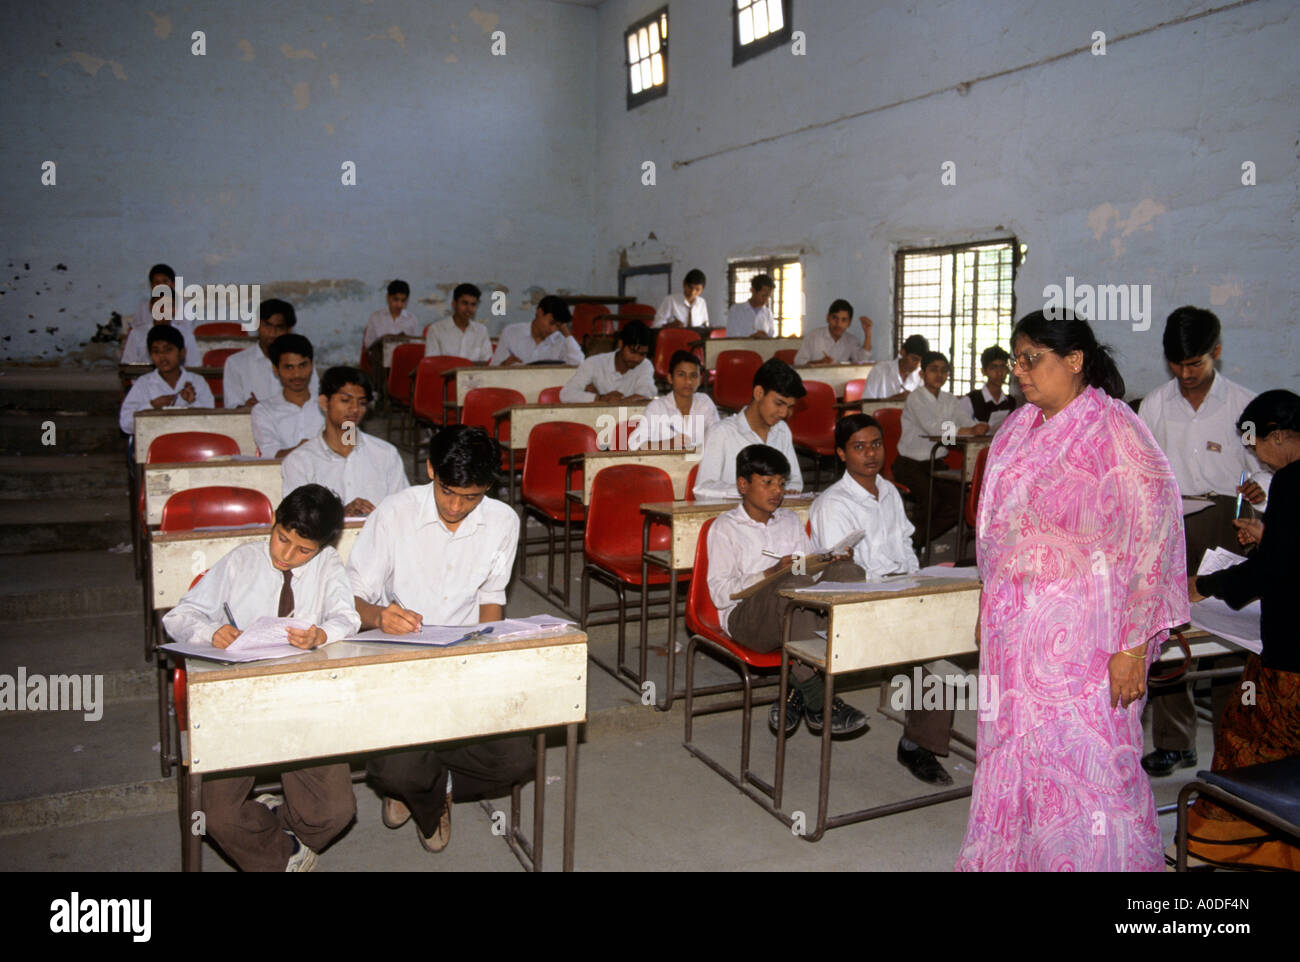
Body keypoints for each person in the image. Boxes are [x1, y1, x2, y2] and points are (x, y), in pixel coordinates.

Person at [955, 311, 1189, 872]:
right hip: (1016, 645)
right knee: (1020, 759)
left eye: (1032, 359)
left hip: (1088, 646)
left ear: (1075, 360)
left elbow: (1155, 535)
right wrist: (993, 612)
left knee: (1092, 768)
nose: (1020, 373)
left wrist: (1134, 648)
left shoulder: (1116, 429)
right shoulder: (1014, 429)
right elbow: (994, 534)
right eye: (1016, 361)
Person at [346, 425, 532, 853]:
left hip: (463, 657)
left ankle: (430, 782)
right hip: (399, 659)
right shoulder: (393, 514)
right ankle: (425, 794)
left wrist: (486, 649)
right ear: (430, 469)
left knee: (518, 759)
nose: (456, 506)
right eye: (448, 492)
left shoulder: (502, 520)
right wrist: (379, 615)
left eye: (472, 497)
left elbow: (491, 597)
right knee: (392, 772)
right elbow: (348, 600)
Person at [162, 484, 360, 871]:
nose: (286, 555)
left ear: (322, 545)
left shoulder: (329, 564)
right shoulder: (242, 561)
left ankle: (275, 824)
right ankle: (284, 854)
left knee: (336, 812)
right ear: (274, 522)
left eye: (303, 550)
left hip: (302, 701)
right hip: (239, 701)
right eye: (282, 539)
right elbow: (179, 617)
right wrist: (209, 633)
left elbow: (347, 617)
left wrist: (321, 634)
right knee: (213, 814)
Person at [1139, 306, 1269, 777]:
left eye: (1194, 363)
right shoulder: (1155, 404)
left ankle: (1232, 736)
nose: (1185, 374)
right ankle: (1174, 741)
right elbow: (1144, 465)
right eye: (1176, 364)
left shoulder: (1242, 406)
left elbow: (1267, 466)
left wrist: (1259, 488)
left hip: (1230, 520)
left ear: (1216, 352)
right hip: (1173, 519)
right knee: (1170, 629)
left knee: (1231, 626)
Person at [1185, 389, 1300, 870]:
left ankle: (1235, 841)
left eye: (1256, 447)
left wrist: (1203, 585)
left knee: (1246, 735)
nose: (1257, 457)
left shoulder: (1293, 481)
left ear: (1279, 437)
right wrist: (1272, 534)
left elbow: (1272, 571)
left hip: (1293, 655)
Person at [810, 414, 952, 781]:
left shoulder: (888, 491)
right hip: (854, 602)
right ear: (841, 453)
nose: (870, 454)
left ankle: (916, 745)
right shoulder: (833, 503)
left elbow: (904, 544)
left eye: (876, 444)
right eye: (858, 447)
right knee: (924, 640)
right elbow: (844, 573)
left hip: (897, 590)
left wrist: (913, 579)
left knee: (944, 645)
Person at [707, 444, 868, 736]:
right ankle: (821, 703)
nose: (777, 491)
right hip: (745, 619)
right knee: (791, 585)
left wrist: (829, 560)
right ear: (743, 485)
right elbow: (719, 593)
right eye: (767, 483)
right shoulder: (725, 528)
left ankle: (794, 692)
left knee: (850, 572)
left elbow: (809, 572)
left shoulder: (791, 520)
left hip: (791, 606)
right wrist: (769, 573)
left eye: (781, 483)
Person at [891, 351, 989, 551]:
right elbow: (933, 429)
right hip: (910, 464)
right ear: (922, 374)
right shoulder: (915, 398)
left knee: (962, 501)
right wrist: (967, 430)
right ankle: (912, 544)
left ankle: (917, 540)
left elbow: (965, 421)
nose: (939, 375)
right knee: (931, 499)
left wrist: (978, 427)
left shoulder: (949, 399)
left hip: (937, 464)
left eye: (944, 371)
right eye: (933, 370)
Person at [281, 366, 408, 517]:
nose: (355, 409)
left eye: (361, 403)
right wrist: (341, 515)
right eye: (345, 400)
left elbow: (404, 510)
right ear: (323, 402)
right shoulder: (299, 461)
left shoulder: (385, 454)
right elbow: (298, 519)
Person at [693, 358, 805, 499]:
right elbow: (702, 490)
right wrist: (750, 491)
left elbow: (794, 481)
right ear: (758, 393)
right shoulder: (721, 433)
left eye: (790, 407)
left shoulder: (782, 430)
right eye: (779, 403)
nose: (784, 413)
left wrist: (787, 490)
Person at [222, 298, 318, 408]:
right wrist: (246, 408)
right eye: (267, 325)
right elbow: (232, 406)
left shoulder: (302, 362)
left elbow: (314, 399)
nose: (272, 333)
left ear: (289, 329)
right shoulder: (236, 363)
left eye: (279, 327)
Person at [118, 325, 214, 434]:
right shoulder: (144, 383)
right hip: (154, 444)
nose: (162, 356)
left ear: (182, 353)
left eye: (168, 350)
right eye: (156, 351)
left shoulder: (197, 382)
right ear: (150, 356)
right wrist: (152, 406)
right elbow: (125, 424)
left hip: (190, 443)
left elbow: (210, 422)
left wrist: (192, 403)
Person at [249, 333, 324, 459]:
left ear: (312, 365)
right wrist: (303, 450)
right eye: (289, 367)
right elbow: (269, 454)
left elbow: (349, 443)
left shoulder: (331, 405)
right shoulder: (263, 411)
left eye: (302, 365)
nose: (297, 374)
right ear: (276, 369)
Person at [627, 350, 718, 451]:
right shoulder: (657, 407)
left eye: (693, 376)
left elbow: (718, 438)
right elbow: (634, 445)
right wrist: (669, 443)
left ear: (700, 380)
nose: (688, 381)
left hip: (700, 464)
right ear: (670, 378)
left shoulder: (704, 403)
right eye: (681, 375)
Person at [120, 263, 200, 365]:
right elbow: (127, 365)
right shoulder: (136, 334)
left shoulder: (186, 336)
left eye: (167, 306)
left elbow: (193, 366)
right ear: (151, 308)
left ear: (174, 310)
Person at [559, 319, 655, 403]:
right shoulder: (594, 363)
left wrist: (615, 401)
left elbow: (646, 395)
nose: (637, 358)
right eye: (632, 352)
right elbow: (566, 394)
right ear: (620, 344)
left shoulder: (645, 365)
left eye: (642, 354)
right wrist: (600, 398)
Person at [489, 295, 583, 366]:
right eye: (551, 323)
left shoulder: (560, 340)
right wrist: (505, 364)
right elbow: (492, 370)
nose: (553, 329)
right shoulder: (511, 332)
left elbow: (578, 365)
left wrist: (566, 333)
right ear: (540, 312)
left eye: (558, 326)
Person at [424, 283, 492, 363]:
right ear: (454, 304)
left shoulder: (481, 331)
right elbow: (431, 364)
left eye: (473, 304)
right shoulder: (436, 330)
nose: (469, 309)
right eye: (464, 303)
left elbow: (487, 363)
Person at [957, 345, 1017, 431]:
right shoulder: (970, 400)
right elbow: (957, 430)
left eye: (1003, 367)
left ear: (1008, 370)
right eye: (993, 367)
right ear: (983, 371)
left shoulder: (1011, 402)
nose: (999, 372)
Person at [793, 300, 871, 365]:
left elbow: (862, 362)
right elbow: (798, 363)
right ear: (828, 318)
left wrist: (868, 332)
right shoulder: (813, 336)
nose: (838, 324)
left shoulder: (851, 340)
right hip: (814, 381)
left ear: (849, 323)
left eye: (843, 320)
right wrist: (819, 362)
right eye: (834, 318)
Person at [862, 334, 928, 400]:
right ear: (903, 352)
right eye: (914, 359)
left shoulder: (921, 377)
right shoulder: (880, 370)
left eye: (921, 361)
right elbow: (866, 404)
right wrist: (892, 400)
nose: (917, 365)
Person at [362, 279, 422, 349]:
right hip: (381, 358)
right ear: (388, 297)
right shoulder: (375, 318)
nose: (399, 305)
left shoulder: (412, 319)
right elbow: (368, 344)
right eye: (396, 299)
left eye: (403, 300)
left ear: (407, 300)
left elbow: (416, 345)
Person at [725, 274, 775, 338]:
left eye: (768, 296)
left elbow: (771, 336)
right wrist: (751, 338)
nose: (766, 300)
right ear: (753, 291)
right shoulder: (736, 310)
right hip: (741, 348)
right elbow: (730, 336)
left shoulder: (768, 313)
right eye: (763, 296)